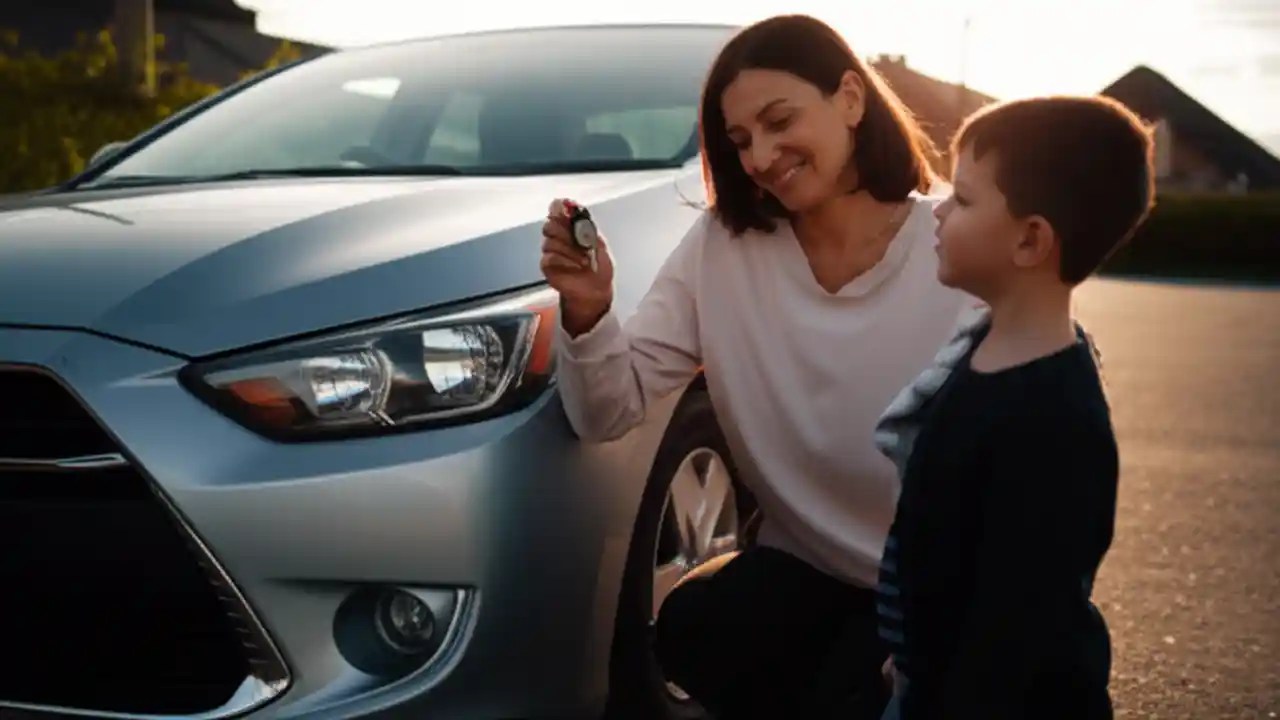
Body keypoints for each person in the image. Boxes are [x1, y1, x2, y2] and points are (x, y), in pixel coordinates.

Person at [539, 14, 973, 719]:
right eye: (740, 141)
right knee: (700, 622)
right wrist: (589, 309)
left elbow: (1035, 456)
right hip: (803, 578)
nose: (762, 156)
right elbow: (606, 408)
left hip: (938, 591)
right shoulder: (724, 247)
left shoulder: (953, 241)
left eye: (779, 121)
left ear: (852, 101)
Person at [872, 95, 1156, 720]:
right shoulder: (978, 350)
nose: (939, 211)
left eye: (965, 199)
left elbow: (1017, 628)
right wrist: (913, 651)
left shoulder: (1056, 421)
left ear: (1030, 240)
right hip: (930, 673)